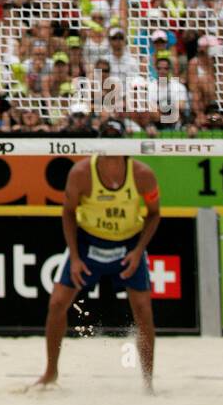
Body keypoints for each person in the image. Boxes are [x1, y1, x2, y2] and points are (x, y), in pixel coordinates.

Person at [35, 129, 161, 390]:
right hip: (88, 241)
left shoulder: (142, 175)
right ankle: (50, 372)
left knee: (143, 311)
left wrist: (138, 251)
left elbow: (154, 214)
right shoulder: (81, 174)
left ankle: (148, 382)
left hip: (128, 243)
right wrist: (77, 257)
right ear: (99, 146)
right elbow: (68, 213)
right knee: (57, 303)